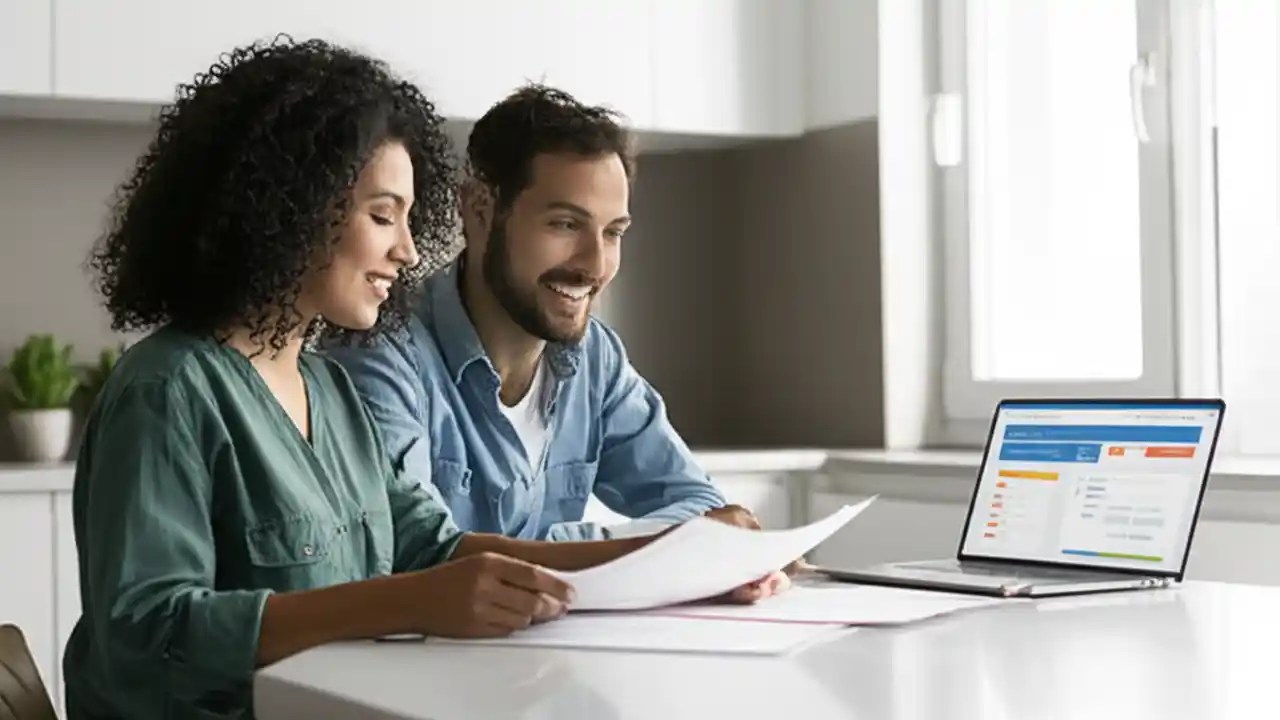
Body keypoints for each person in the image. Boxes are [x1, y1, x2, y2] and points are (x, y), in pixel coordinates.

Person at [64, 39, 787, 719]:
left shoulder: (329, 392)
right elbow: (143, 634)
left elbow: (438, 551)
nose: (409, 251)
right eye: (384, 216)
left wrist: (678, 558)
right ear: (290, 209)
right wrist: (410, 602)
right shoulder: (168, 390)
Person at [327, 85, 758, 542]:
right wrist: (653, 543)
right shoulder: (380, 351)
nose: (595, 265)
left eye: (613, 233)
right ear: (478, 210)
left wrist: (706, 542)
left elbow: (702, 504)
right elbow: (422, 551)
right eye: (565, 224)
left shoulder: (596, 358)